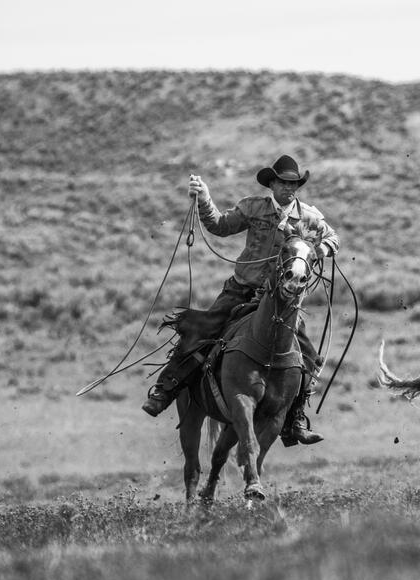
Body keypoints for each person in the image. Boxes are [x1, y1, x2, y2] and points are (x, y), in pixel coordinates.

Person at [142, 154, 339, 446]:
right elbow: (219, 225)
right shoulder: (253, 207)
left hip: (281, 299)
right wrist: (204, 199)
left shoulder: (309, 216)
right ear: (272, 184)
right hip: (241, 290)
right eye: (284, 183)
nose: (289, 188)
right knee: (199, 332)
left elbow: (333, 238)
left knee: (306, 357)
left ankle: (295, 419)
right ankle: (164, 390)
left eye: (294, 183)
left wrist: (318, 250)